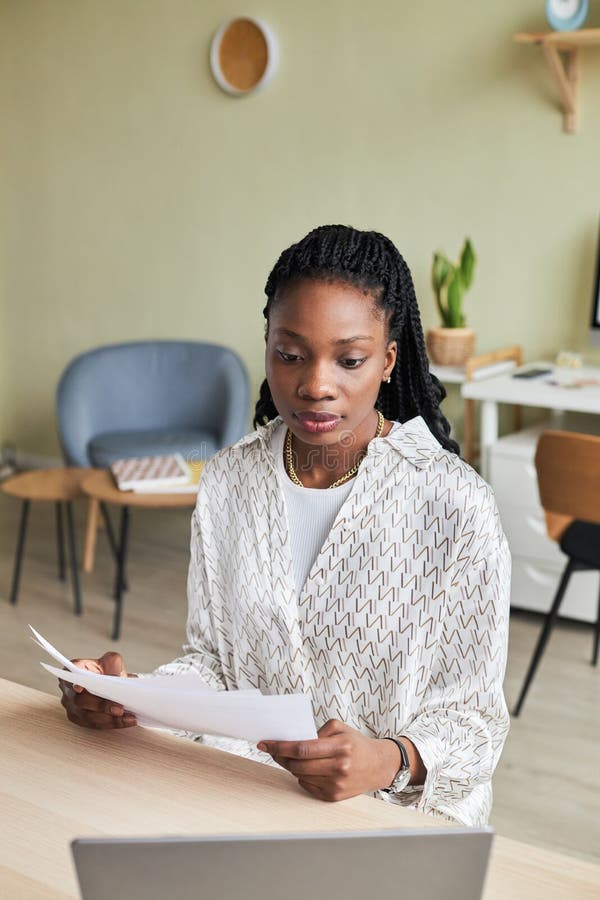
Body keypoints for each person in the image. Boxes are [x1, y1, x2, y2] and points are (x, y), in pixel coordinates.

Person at [59, 224, 510, 827]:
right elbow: (216, 664)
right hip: (250, 800)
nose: (315, 384)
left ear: (388, 359)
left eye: (350, 359)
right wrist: (131, 697)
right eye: (290, 355)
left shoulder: (456, 505)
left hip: (396, 821)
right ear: (267, 342)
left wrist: (389, 760)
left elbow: (476, 721)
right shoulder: (227, 482)